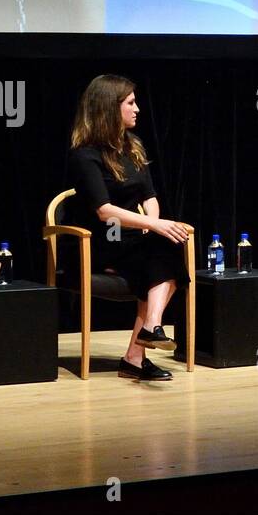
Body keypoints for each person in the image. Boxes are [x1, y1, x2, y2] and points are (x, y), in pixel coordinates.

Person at [67, 74, 191, 380]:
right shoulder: (85, 154)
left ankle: (145, 338)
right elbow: (104, 210)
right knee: (160, 254)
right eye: (130, 103)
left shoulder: (133, 146)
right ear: (110, 107)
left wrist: (154, 225)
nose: (137, 109)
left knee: (171, 244)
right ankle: (143, 343)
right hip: (96, 242)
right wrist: (154, 224)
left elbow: (150, 197)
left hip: (132, 240)